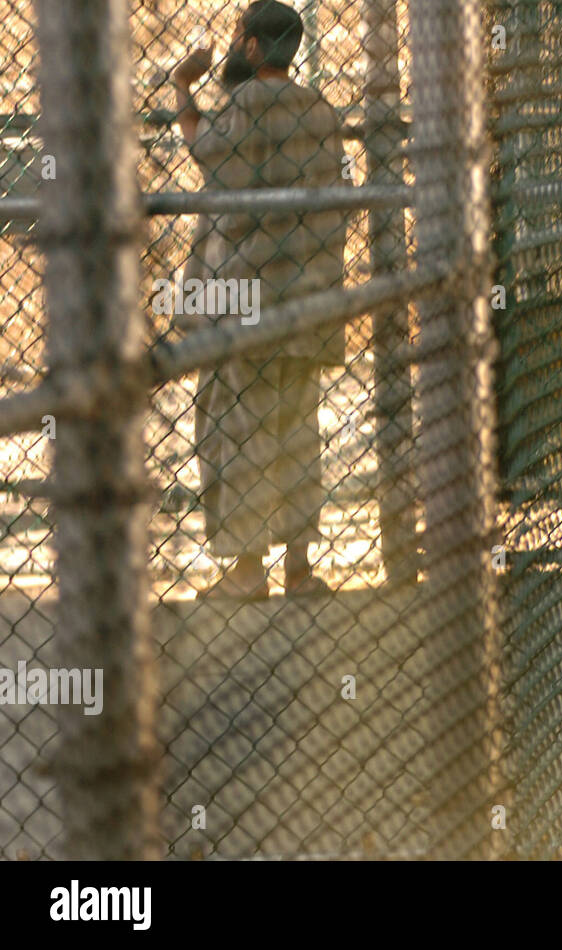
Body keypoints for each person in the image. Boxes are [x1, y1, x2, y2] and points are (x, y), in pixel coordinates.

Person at [171, 0, 349, 600]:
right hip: (307, 302)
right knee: (297, 430)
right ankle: (299, 571)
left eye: (237, 35)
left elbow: (204, 151)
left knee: (234, 429)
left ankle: (247, 572)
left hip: (248, 303)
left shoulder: (244, 104)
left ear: (251, 47)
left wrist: (181, 87)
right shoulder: (320, 110)